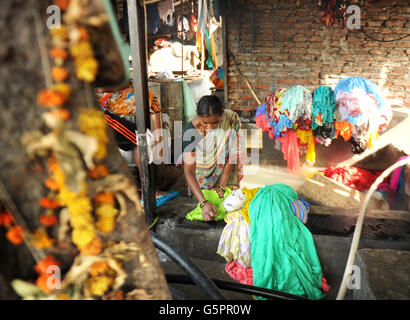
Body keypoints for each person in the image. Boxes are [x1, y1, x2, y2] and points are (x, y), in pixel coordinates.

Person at [182, 95, 242, 221]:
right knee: (205, 215)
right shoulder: (191, 132)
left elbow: (232, 155)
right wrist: (203, 202)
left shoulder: (231, 119)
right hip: (202, 180)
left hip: (227, 174)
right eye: (205, 122)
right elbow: (189, 171)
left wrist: (222, 186)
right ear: (197, 115)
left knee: (231, 210)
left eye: (215, 122)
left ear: (222, 114)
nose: (210, 127)